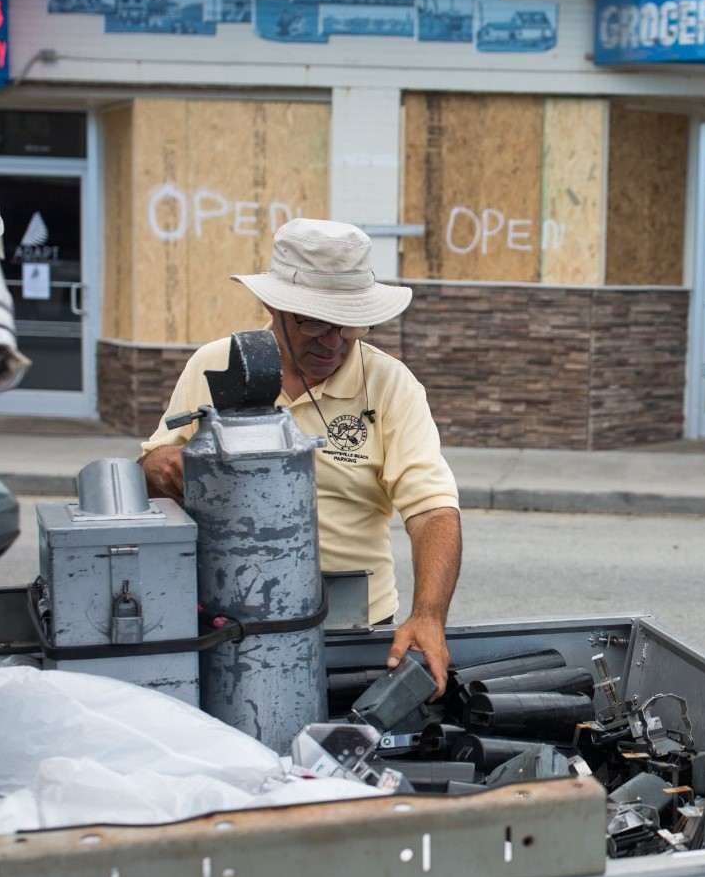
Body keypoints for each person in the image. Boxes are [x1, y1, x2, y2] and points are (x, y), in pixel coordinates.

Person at [139, 219, 463, 690]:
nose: (332, 341)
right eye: (313, 321)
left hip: (353, 628)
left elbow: (432, 509)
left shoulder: (391, 385)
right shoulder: (214, 363)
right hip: (224, 622)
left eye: (349, 322)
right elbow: (151, 471)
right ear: (273, 306)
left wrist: (429, 614)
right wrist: (162, 468)